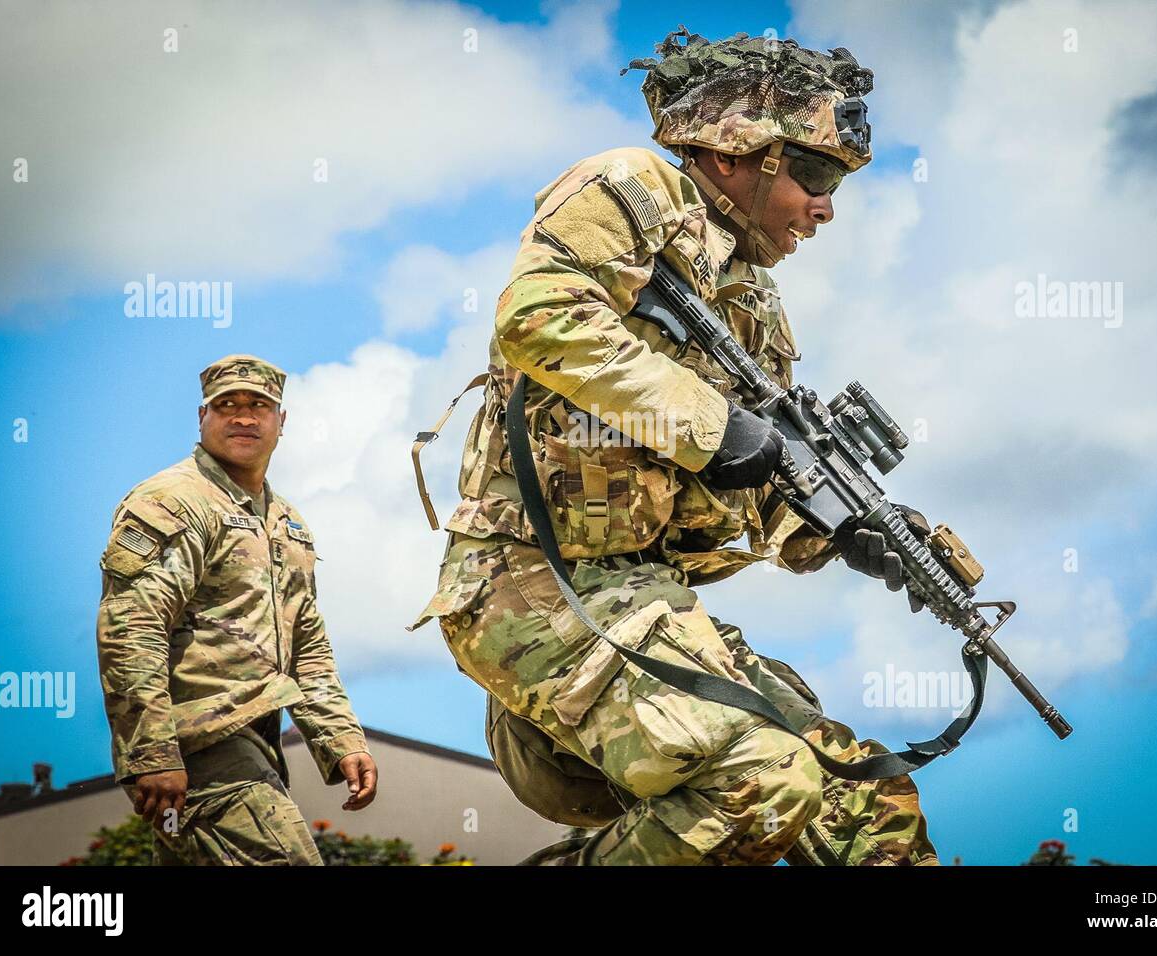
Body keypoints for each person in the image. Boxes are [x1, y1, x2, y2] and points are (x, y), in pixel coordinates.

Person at [410, 29, 937, 865]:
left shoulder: (754, 300)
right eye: (818, 174)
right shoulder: (631, 187)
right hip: (528, 583)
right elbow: (540, 318)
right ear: (738, 153)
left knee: (870, 808)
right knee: (759, 781)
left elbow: (754, 473)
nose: (826, 206)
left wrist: (846, 530)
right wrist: (712, 425)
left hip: (647, 598)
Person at [96, 354, 377, 865]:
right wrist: (152, 752)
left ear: (281, 421)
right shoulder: (174, 501)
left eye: (259, 406)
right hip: (199, 743)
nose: (244, 417)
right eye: (227, 405)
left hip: (255, 738)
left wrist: (340, 738)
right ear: (202, 417)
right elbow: (131, 627)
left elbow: (306, 645)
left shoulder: (286, 521)